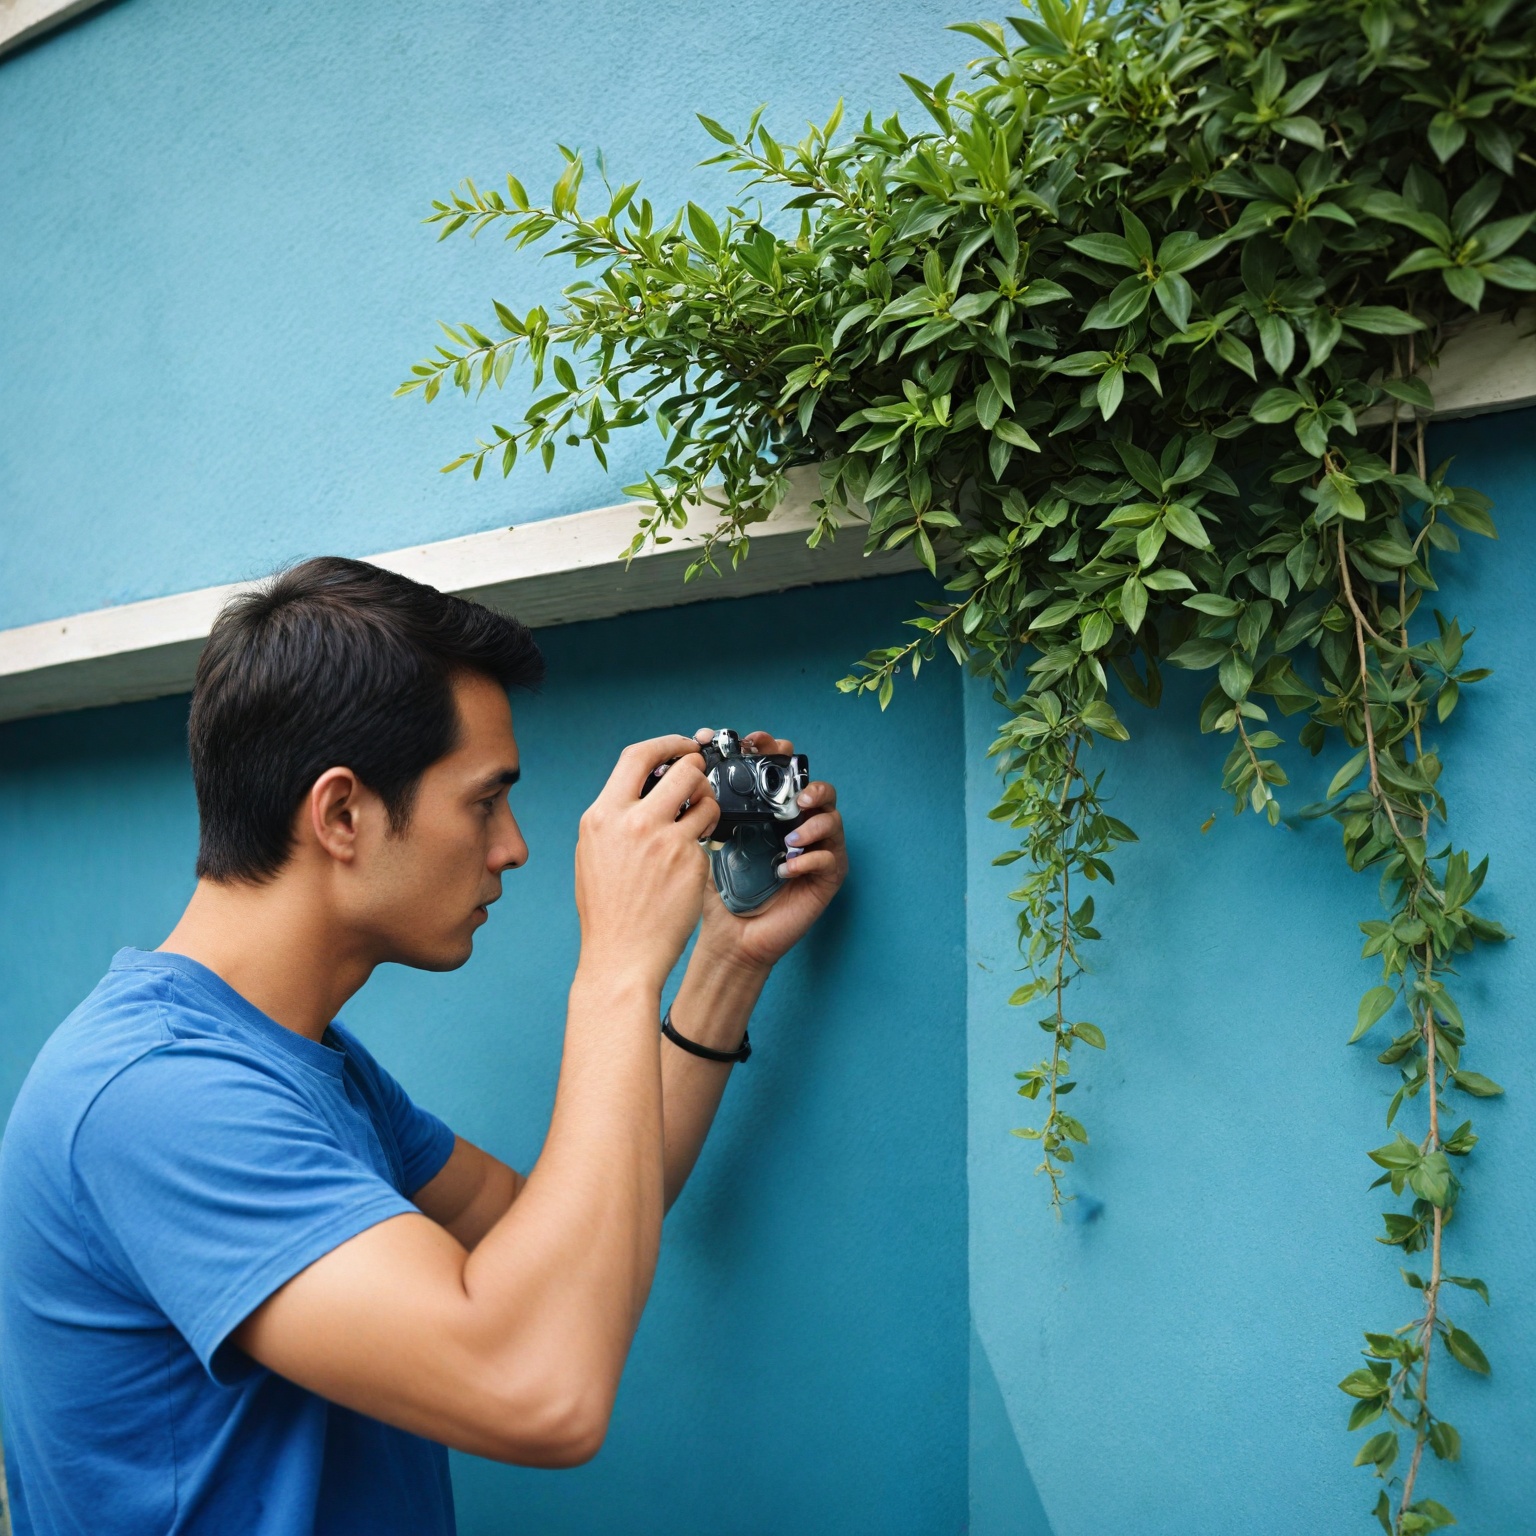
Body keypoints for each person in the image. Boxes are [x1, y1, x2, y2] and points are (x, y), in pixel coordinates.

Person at [0, 556, 848, 1536]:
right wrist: (617, 967)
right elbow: (539, 1387)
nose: (513, 847)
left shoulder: (301, 1061)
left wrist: (725, 963)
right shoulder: (157, 1097)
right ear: (342, 815)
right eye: (485, 801)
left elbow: (586, 1224)